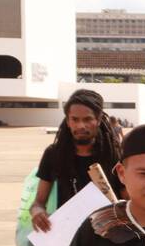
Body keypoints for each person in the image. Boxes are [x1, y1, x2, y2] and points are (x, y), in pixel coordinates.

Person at [30, 89, 125, 234]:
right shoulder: (53, 154)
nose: (81, 126)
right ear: (68, 121)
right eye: (75, 119)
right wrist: (38, 213)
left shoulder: (115, 155)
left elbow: (129, 200)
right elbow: (38, 203)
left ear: (98, 120)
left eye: (87, 119)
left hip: (109, 238)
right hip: (66, 238)